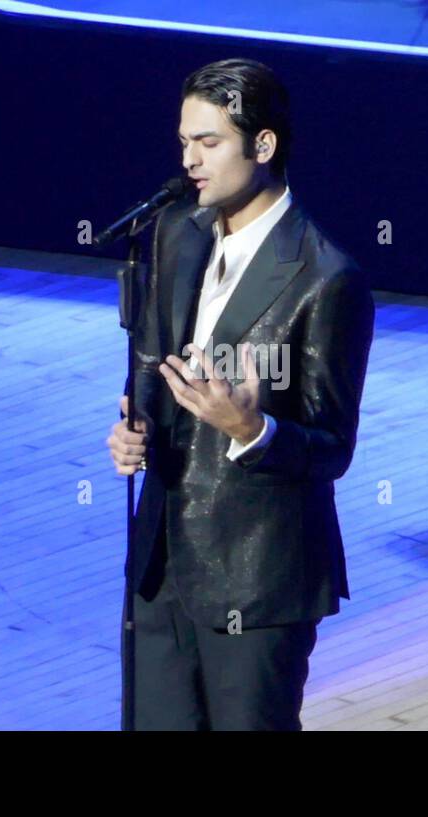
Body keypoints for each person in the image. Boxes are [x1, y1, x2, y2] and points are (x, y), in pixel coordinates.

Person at [106, 58, 374, 730]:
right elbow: (152, 362)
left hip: (256, 576)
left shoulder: (326, 279)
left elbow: (331, 448)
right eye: (185, 142)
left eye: (209, 142)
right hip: (161, 561)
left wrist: (249, 428)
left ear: (263, 145)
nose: (190, 160)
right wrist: (132, 424)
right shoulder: (174, 231)